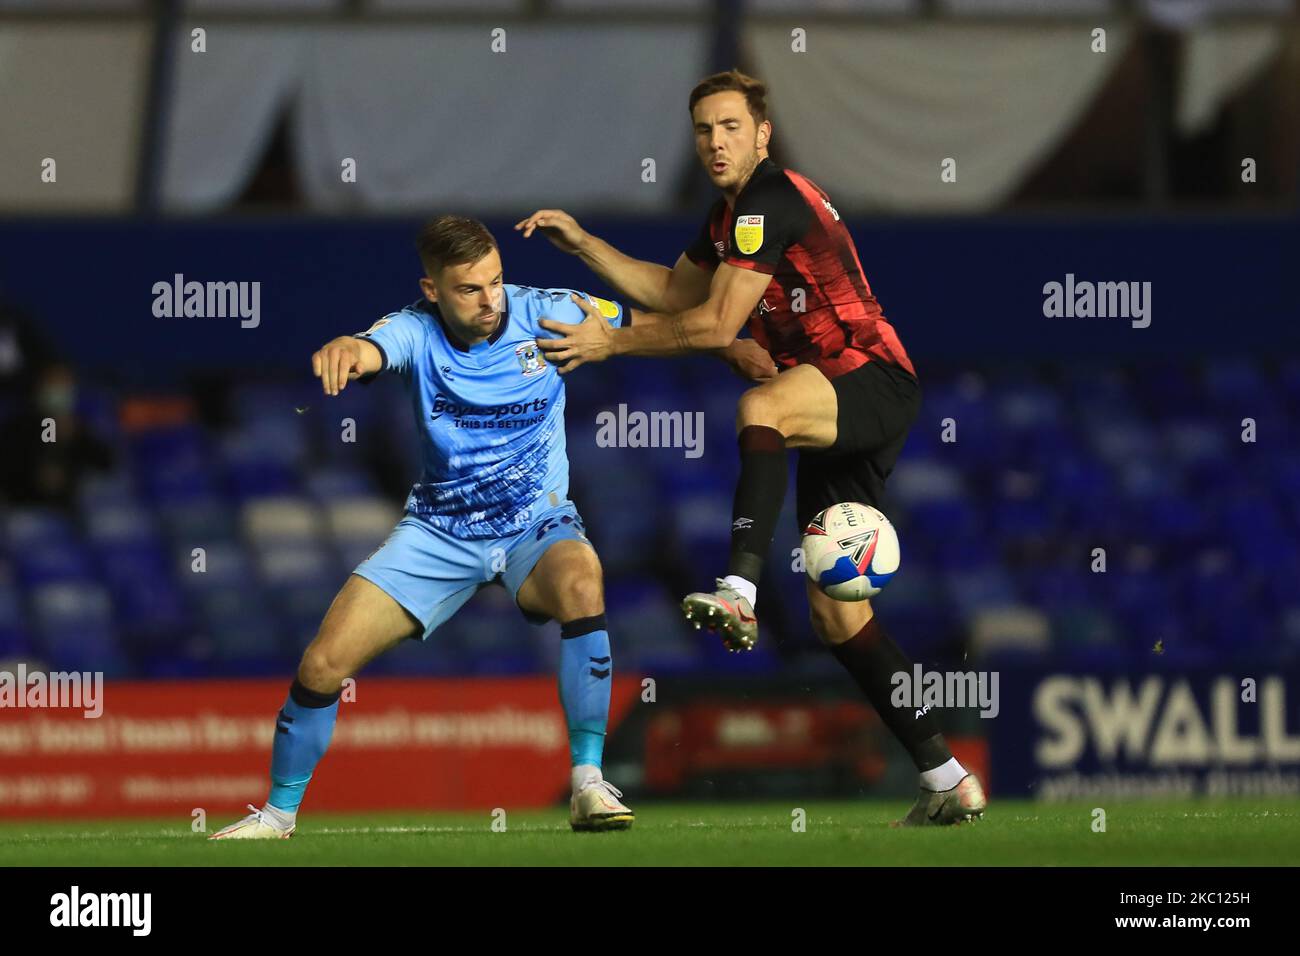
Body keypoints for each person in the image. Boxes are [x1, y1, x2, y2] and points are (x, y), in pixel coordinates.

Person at [515, 70, 986, 826]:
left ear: (762, 134)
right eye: (704, 130)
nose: (715, 142)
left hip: (871, 379)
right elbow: (677, 295)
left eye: (731, 126)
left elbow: (709, 328)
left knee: (760, 405)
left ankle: (738, 589)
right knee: (840, 619)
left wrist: (611, 343)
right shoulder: (728, 215)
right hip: (833, 395)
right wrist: (585, 245)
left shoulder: (768, 201)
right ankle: (946, 774)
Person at [213, 215, 665, 838]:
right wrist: (349, 349)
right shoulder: (413, 331)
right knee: (322, 664)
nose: (490, 301)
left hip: (536, 522)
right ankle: (278, 814)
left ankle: (588, 783)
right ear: (432, 291)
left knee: (583, 580)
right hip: (439, 535)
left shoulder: (552, 311)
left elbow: (649, 326)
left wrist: (727, 341)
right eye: (469, 290)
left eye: (496, 282)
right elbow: (372, 348)